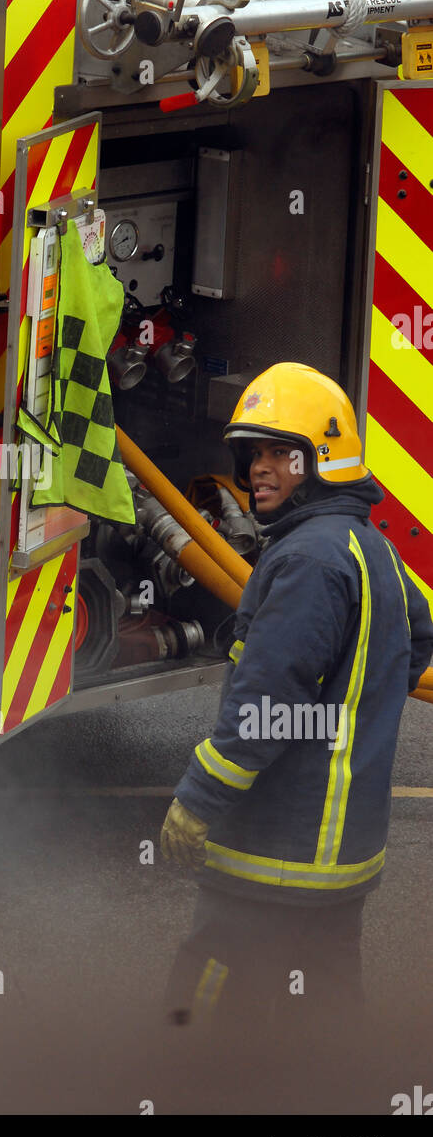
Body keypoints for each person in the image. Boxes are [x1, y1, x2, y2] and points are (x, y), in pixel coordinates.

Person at [160, 362, 433, 1036]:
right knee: (325, 1023)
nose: (259, 468)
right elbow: (414, 647)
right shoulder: (374, 552)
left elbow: (265, 706)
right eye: (254, 453)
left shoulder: (306, 561)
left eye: (281, 452)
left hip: (273, 856)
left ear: (321, 460)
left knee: (207, 1019)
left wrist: (197, 803)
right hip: (343, 864)